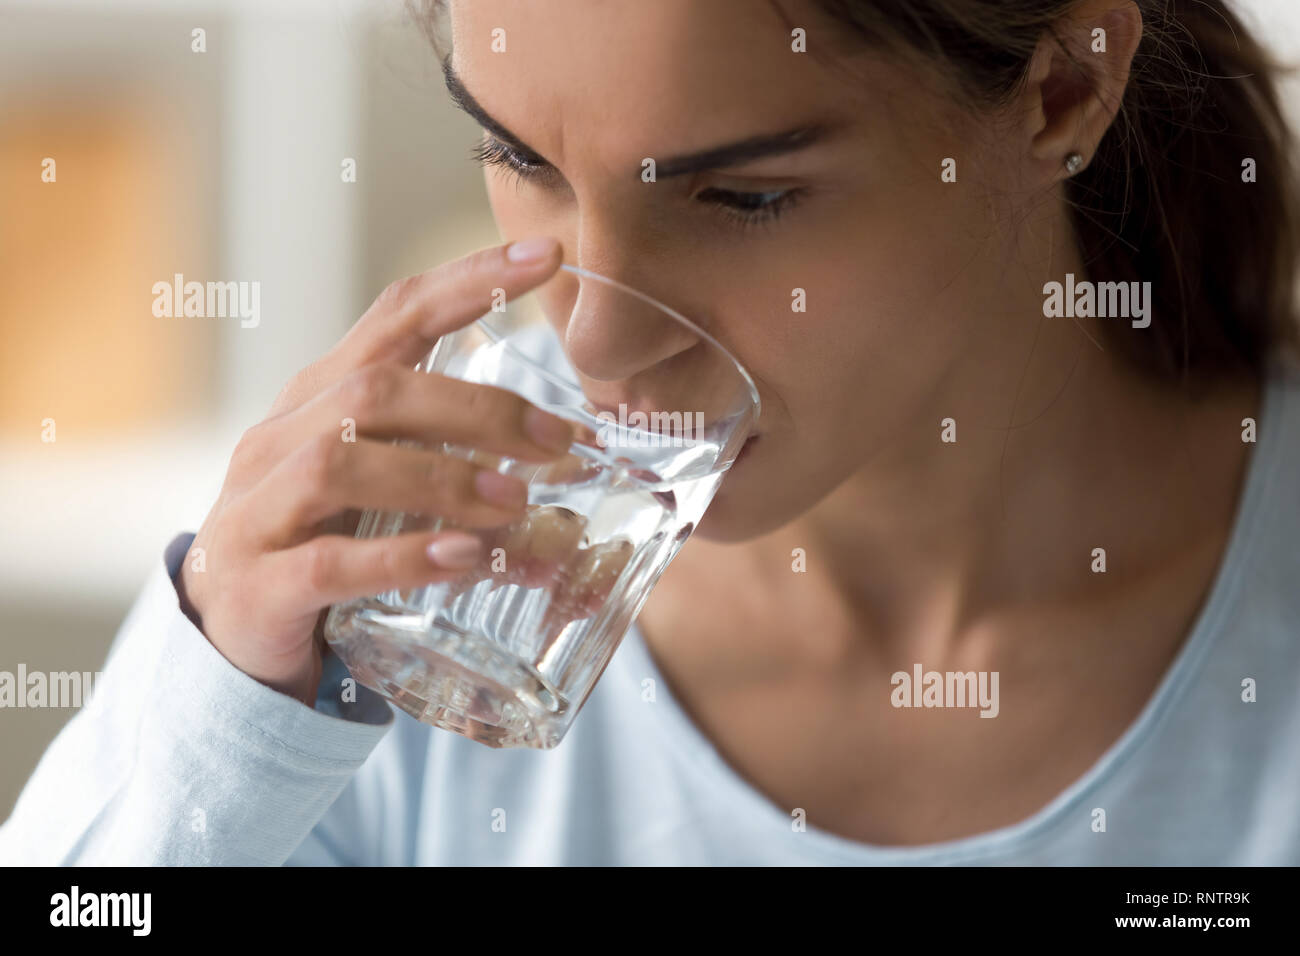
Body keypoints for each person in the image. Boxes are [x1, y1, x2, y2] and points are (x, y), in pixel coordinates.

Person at [3, 0, 1299, 865]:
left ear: (1064, 87)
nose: (590, 338)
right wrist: (209, 728)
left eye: (742, 196)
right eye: (515, 155)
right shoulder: (371, 637)